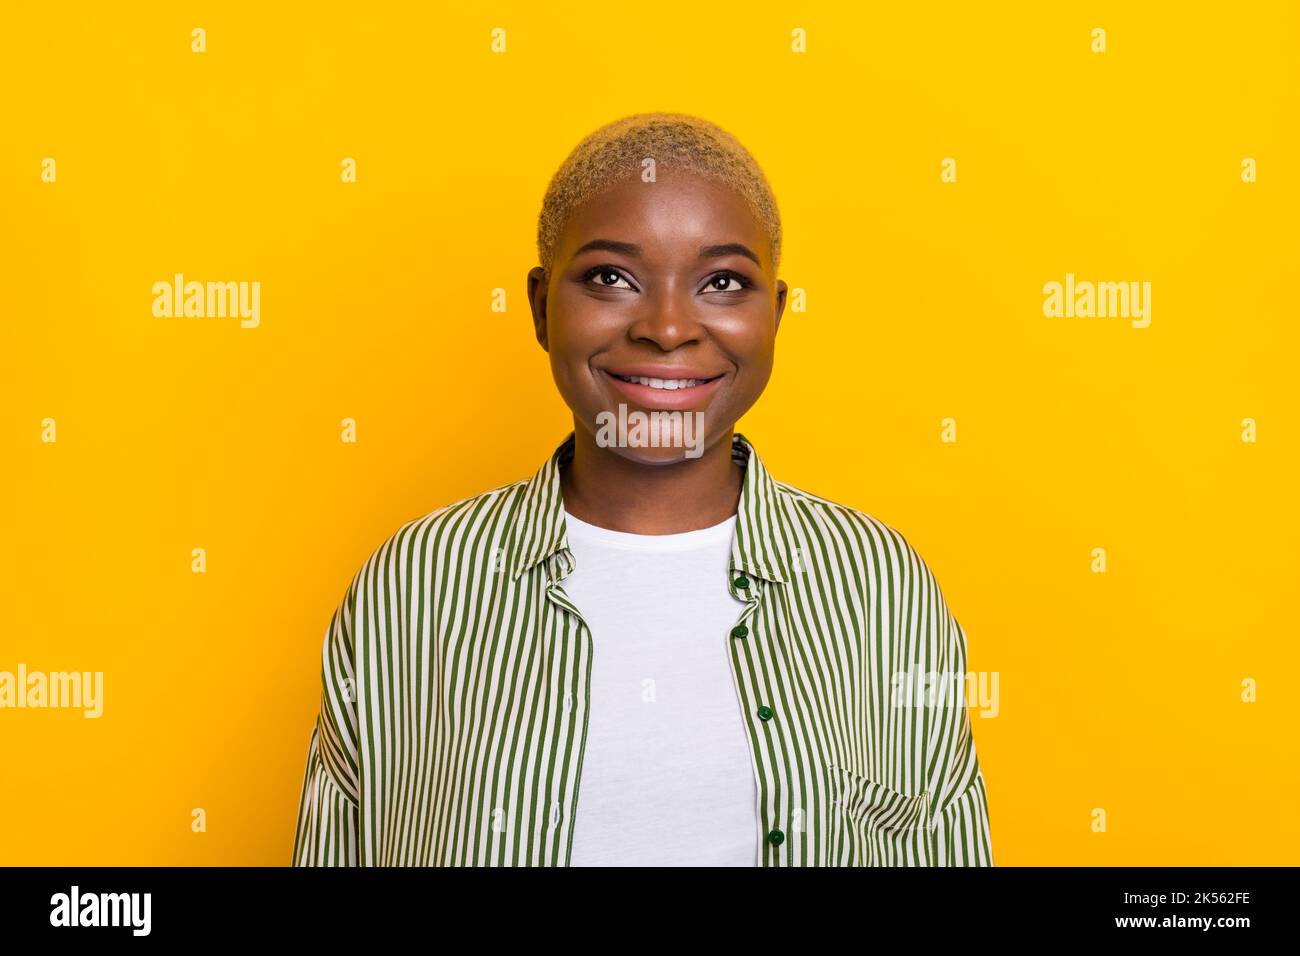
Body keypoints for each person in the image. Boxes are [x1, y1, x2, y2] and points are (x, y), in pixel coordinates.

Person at [292, 112, 993, 866]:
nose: (666, 328)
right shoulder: (414, 585)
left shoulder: (881, 588)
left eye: (723, 282)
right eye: (611, 278)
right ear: (539, 307)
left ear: (776, 315)